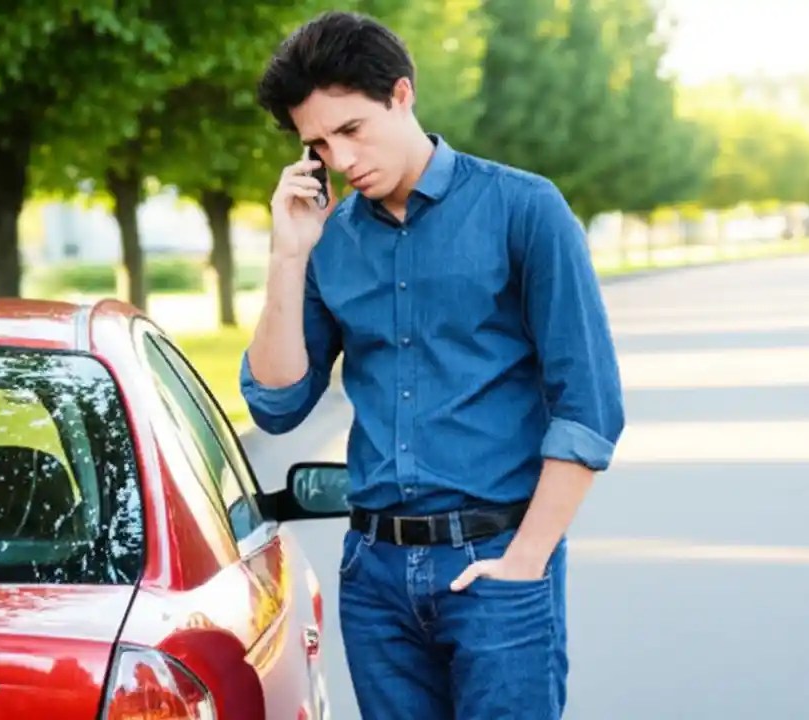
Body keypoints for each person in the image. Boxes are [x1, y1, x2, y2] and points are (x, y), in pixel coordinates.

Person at [241, 10, 624, 720]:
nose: (342, 159)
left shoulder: (525, 209)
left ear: (402, 95)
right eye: (318, 144)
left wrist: (526, 562)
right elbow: (277, 402)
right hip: (376, 577)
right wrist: (288, 254)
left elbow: (589, 406)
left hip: (498, 563)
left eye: (351, 129)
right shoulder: (328, 241)